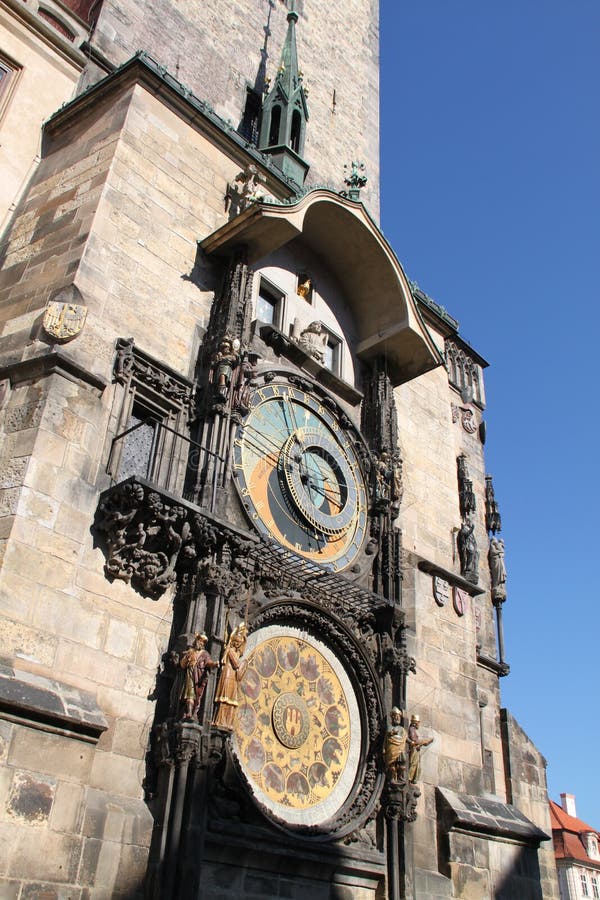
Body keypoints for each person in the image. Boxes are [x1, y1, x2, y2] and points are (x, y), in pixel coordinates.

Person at [212, 623, 248, 731]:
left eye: (239, 643)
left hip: (232, 675)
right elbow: (237, 664)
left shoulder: (235, 651)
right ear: (233, 642)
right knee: (226, 697)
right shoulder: (231, 651)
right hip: (228, 674)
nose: (238, 645)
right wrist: (245, 663)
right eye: (237, 642)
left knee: (231, 699)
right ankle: (220, 720)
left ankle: (226, 721)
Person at [179, 633, 218, 721]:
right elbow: (182, 665)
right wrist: (186, 658)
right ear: (196, 641)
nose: (201, 643)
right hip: (189, 675)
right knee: (190, 694)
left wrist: (214, 664)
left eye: (203, 642)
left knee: (197, 696)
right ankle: (188, 712)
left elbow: (208, 662)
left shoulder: (205, 654)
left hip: (198, 677)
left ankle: (194, 713)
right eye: (200, 640)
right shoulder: (190, 651)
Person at [407, 714, 433, 783]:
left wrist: (425, 742)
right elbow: (414, 740)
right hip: (413, 750)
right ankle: (409, 778)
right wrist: (424, 741)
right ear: (415, 723)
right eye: (418, 723)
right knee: (413, 764)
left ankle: (412, 779)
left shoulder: (413, 730)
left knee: (417, 766)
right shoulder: (412, 729)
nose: (419, 724)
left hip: (416, 750)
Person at [384, 707, 407, 783]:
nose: (397, 718)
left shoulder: (402, 729)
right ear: (392, 717)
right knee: (392, 765)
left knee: (402, 764)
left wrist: (412, 743)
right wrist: (393, 733)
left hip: (400, 748)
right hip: (392, 747)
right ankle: (392, 778)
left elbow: (405, 737)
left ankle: (400, 777)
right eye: (395, 716)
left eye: (398, 716)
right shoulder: (390, 727)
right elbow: (388, 733)